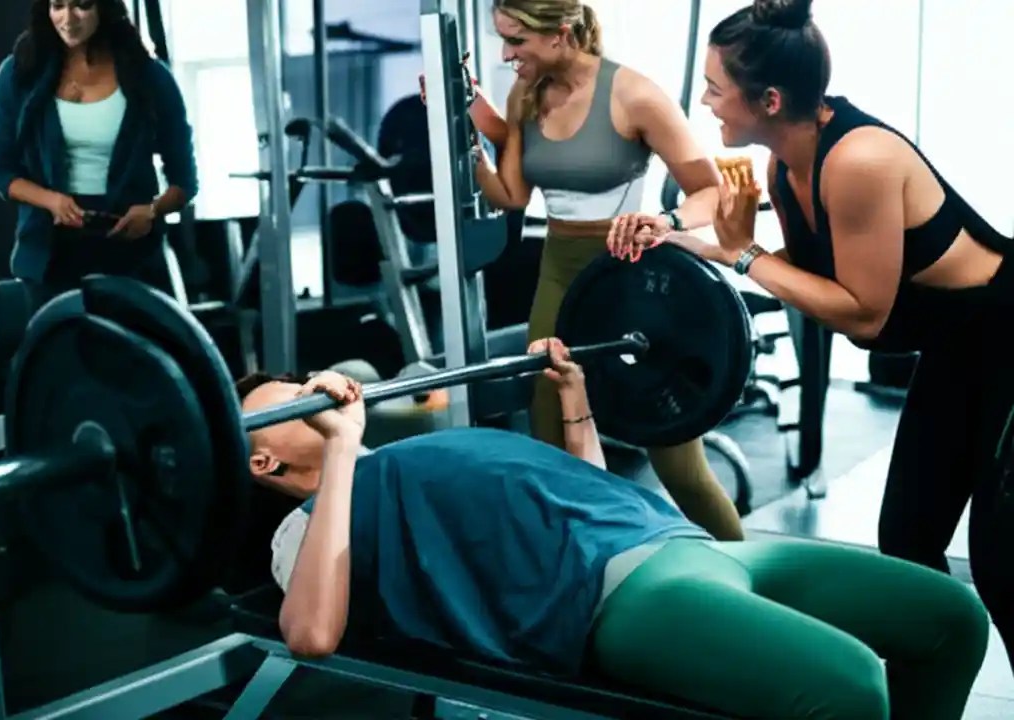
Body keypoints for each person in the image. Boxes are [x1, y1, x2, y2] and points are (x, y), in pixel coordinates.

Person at [237, 340, 989, 719]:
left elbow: (588, 491)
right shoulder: (312, 522)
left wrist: (575, 397)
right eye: (294, 401)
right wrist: (340, 449)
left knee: (952, 618)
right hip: (626, 597)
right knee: (852, 688)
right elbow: (310, 634)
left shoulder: (415, 450)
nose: (318, 392)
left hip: (688, 545)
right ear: (264, 460)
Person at [644, 0, 1014, 671]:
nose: (706, 102)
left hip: (1010, 334)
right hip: (961, 347)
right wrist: (685, 236)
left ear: (770, 98)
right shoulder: (788, 165)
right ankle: (923, 697)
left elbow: (861, 314)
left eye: (716, 89)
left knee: (1005, 560)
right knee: (906, 539)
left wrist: (742, 255)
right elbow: (807, 279)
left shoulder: (858, 160)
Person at [422, 0, 742, 541]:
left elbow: (713, 191)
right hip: (559, 275)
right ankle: (580, 573)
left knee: (677, 463)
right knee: (552, 442)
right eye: (502, 40)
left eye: (516, 40)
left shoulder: (635, 95)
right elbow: (511, 193)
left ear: (561, 32)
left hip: (630, 280)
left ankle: (749, 566)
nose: (507, 54)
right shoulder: (525, 93)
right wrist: (461, 123)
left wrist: (663, 220)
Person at [0, 0, 198, 304]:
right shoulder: (19, 74)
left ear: (104, 8)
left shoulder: (150, 77)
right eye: (57, 6)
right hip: (48, 257)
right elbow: (0, 168)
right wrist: (52, 201)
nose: (68, 19)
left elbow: (185, 181)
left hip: (130, 256)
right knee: (57, 348)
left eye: (82, 6)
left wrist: (152, 211)